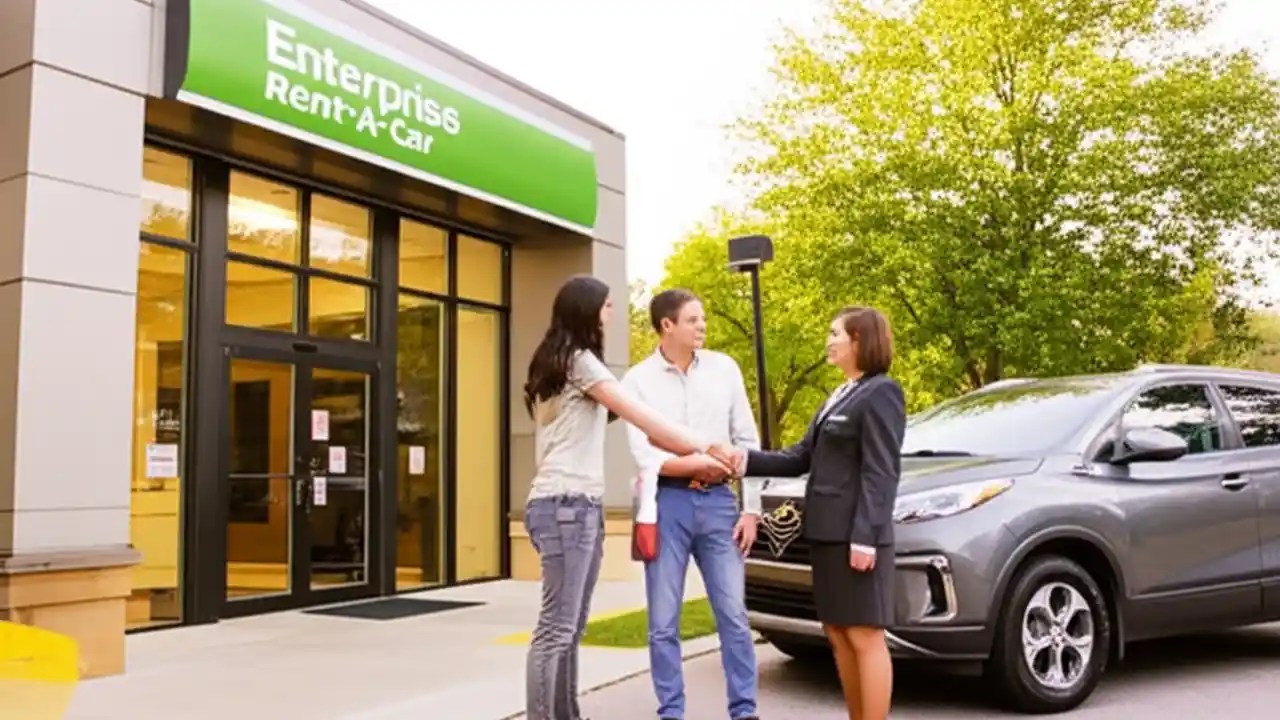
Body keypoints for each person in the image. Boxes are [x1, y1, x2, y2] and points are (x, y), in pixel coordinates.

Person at [522, 275, 730, 720]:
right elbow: (643, 416)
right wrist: (705, 445)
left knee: (570, 627)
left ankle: (567, 715)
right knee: (557, 629)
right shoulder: (579, 362)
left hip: (574, 506)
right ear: (587, 310)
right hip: (566, 505)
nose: (611, 313)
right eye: (607, 305)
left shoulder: (559, 362)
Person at [727, 305, 905, 720]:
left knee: (864, 634)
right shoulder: (841, 394)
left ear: (859, 340)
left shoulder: (882, 392)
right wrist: (743, 461)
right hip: (825, 534)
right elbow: (800, 456)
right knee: (839, 634)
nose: (829, 341)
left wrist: (865, 536)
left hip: (856, 537)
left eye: (835, 333)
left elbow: (881, 473)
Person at [621, 288, 763, 720]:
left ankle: (745, 711)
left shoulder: (724, 370)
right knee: (663, 622)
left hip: (720, 505)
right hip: (667, 506)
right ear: (667, 326)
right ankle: (672, 713)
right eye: (693, 320)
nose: (702, 326)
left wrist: (751, 508)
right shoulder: (637, 382)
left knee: (734, 617)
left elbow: (747, 440)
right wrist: (699, 462)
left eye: (702, 319)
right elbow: (645, 454)